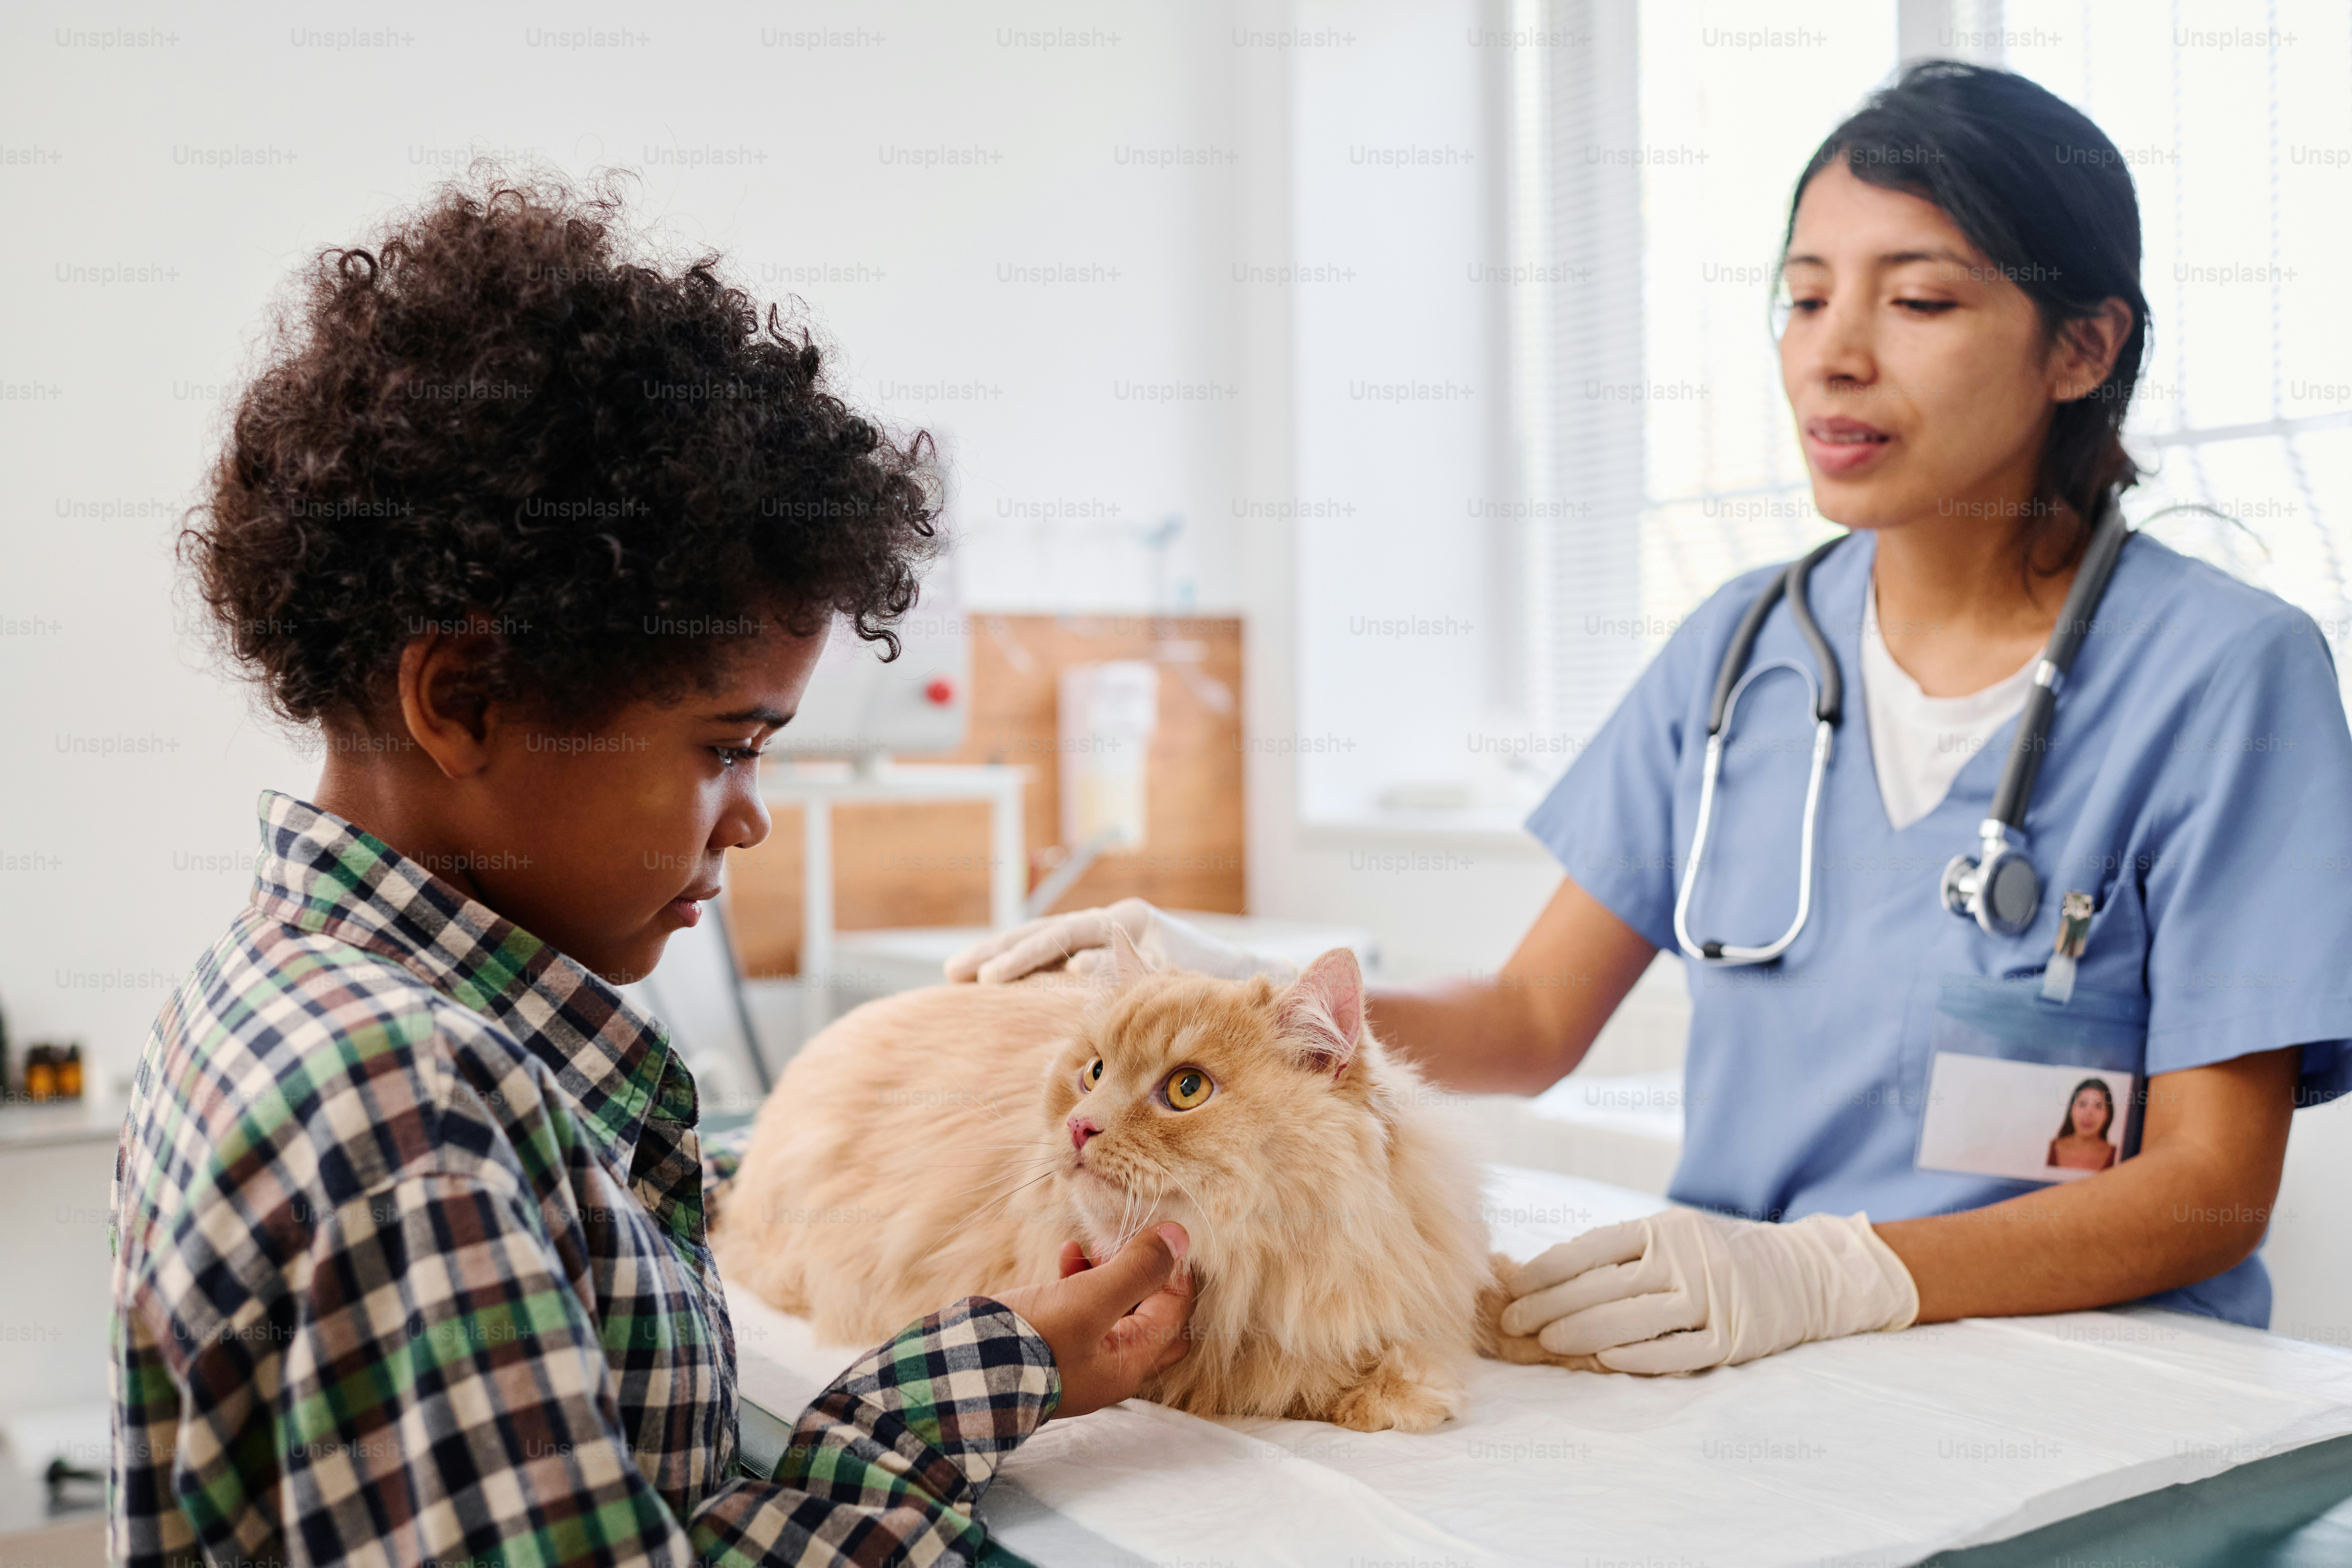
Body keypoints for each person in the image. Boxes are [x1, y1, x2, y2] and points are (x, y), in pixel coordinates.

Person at [949, 63, 2352, 1373]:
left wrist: (1833, 1271)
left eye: (1916, 302)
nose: (1834, 357)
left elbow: (2209, 1191)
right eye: (1803, 300)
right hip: (1761, 1375)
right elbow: (1523, 1017)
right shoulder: (1739, 652)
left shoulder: (2226, 674)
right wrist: (1239, 990)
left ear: (2081, 347)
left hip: (2100, 1381)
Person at [112, 170, 1193, 1568]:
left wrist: (995, 1349)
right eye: (725, 745)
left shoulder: (285, 999)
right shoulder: (408, 1118)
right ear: (466, 699)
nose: (747, 817)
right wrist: (958, 1393)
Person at [2048, 1079, 2120, 1172]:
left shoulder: (2118, 1155)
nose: (2088, 1114)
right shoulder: (2050, 1149)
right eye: (2082, 1104)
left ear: (2108, 1115)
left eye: (2098, 1106)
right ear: (2071, 1110)